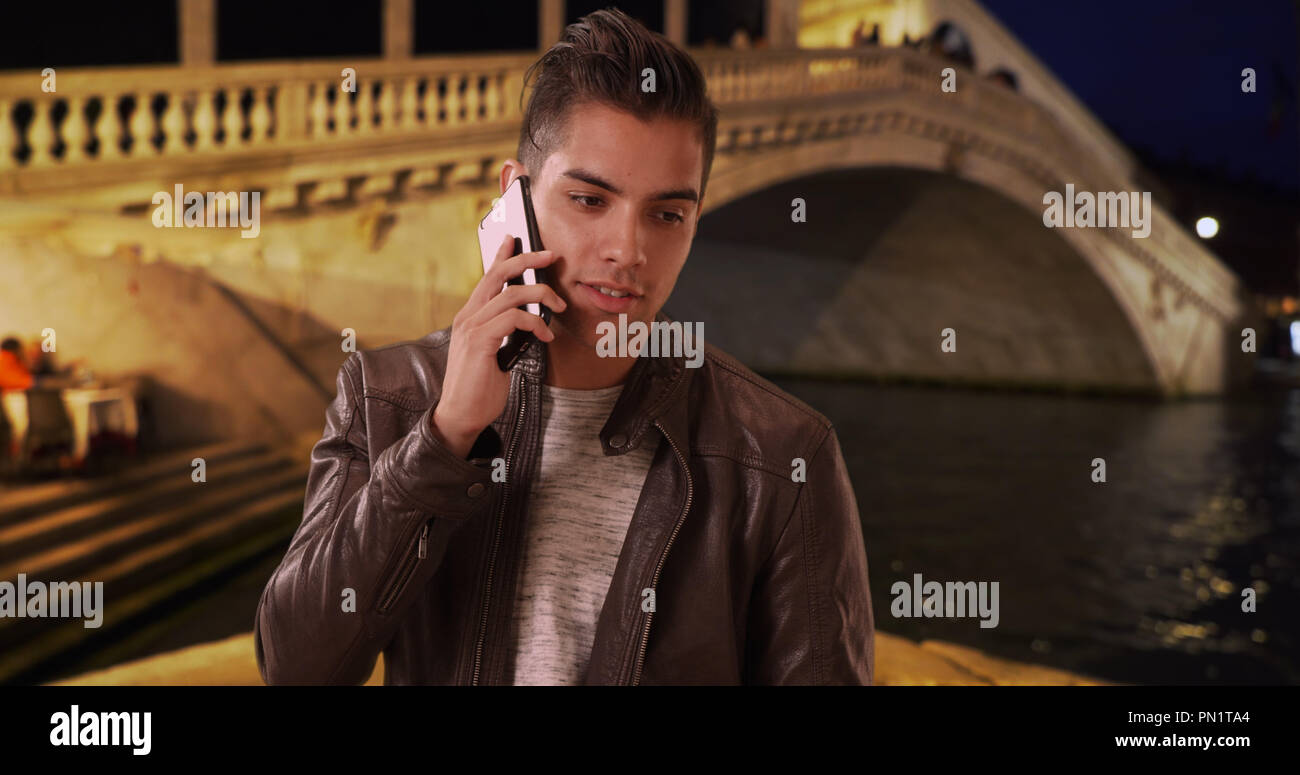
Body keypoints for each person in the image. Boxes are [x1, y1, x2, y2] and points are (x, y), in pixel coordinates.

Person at [255, 8, 874, 686]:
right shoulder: (387, 396)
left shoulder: (783, 456)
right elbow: (297, 667)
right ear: (514, 195)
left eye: (667, 215)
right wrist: (443, 438)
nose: (628, 251)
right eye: (588, 200)